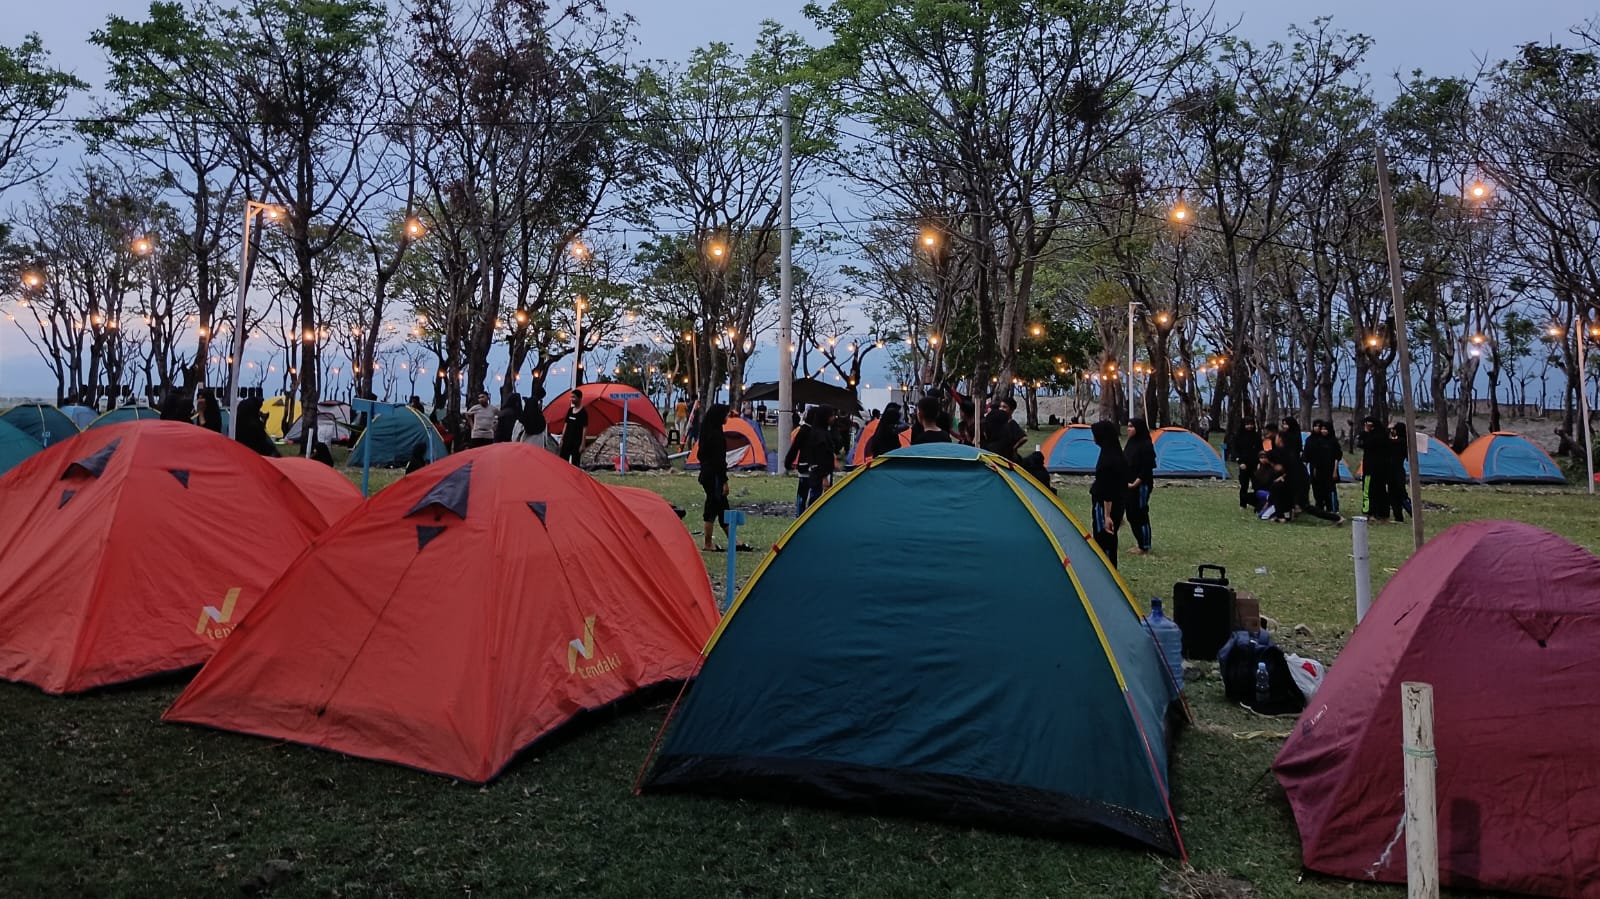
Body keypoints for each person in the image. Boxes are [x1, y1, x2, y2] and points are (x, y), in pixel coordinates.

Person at [696, 404, 750, 552]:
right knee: (712, 507)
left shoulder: (707, 433)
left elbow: (701, 455)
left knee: (722, 508)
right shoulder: (716, 436)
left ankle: (735, 541)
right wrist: (724, 481)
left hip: (706, 474)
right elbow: (719, 462)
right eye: (725, 415)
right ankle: (708, 543)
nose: (727, 417)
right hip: (714, 477)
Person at [1089, 420, 1128, 567]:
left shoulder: (1108, 460)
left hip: (1105, 506)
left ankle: (1106, 570)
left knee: (1104, 539)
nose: (1093, 438)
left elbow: (1107, 491)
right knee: (1109, 540)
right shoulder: (1117, 455)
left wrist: (1107, 516)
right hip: (1118, 504)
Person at [785, 405, 836, 516]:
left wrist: (788, 463)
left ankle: (802, 515)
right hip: (813, 469)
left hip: (809, 467)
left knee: (806, 494)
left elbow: (794, 448)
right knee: (812, 495)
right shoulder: (816, 433)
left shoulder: (813, 431)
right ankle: (804, 516)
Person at [1123, 418, 1156, 554]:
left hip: (1141, 486)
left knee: (1140, 513)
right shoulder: (1131, 443)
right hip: (1129, 484)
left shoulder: (1146, 445)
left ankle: (1144, 545)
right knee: (1131, 514)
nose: (1128, 429)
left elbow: (1147, 468)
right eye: (1128, 426)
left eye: (1131, 426)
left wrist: (1136, 483)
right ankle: (1139, 542)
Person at [1304, 419, 1344, 516]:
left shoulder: (1333, 441)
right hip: (1318, 469)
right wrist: (1313, 468)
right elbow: (1312, 456)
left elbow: (1337, 457)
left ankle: (1332, 508)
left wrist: (1335, 471)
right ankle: (1320, 506)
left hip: (1330, 469)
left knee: (1330, 489)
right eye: (1321, 428)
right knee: (1318, 488)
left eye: (1324, 429)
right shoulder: (1316, 441)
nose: (1322, 430)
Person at [1357, 416, 1390, 523]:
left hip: (1373, 469)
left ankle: (1370, 513)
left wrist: (1365, 433)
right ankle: (1378, 513)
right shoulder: (1381, 435)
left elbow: (1365, 444)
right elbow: (1360, 444)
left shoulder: (1378, 436)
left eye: (1368, 425)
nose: (1366, 427)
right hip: (1375, 468)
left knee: (1370, 491)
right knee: (1376, 491)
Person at [1233, 421, 1260, 510]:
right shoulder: (1239, 436)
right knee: (1244, 485)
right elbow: (1235, 450)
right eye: (1247, 424)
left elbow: (1260, 449)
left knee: (1256, 485)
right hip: (1243, 464)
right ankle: (1242, 504)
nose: (1249, 426)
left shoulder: (1256, 436)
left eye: (1251, 424)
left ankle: (1257, 504)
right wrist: (1240, 462)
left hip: (1254, 464)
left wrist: (1259, 462)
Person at [1388, 422, 1411, 523]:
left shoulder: (1399, 442)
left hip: (1395, 472)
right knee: (1397, 495)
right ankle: (1398, 517)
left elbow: (1389, 442)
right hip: (1398, 471)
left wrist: (1388, 432)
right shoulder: (1405, 442)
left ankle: (1411, 512)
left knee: (1399, 495)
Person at [558, 390, 587, 465]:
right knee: (563, 461)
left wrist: (583, 444)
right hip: (567, 440)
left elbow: (584, 428)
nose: (571, 399)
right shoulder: (570, 410)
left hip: (576, 442)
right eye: (571, 397)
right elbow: (566, 424)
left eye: (574, 397)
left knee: (575, 462)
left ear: (579, 398)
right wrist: (562, 439)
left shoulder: (583, 412)